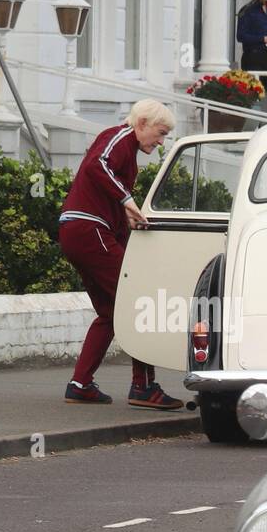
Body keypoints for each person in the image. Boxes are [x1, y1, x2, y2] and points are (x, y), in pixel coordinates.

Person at [59, 99, 183, 409]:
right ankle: (143, 387)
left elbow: (101, 180)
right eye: (160, 132)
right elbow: (96, 165)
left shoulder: (126, 148)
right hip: (90, 231)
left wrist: (125, 213)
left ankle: (80, 383)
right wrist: (127, 200)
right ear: (141, 124)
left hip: (81, 232)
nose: (161, 141)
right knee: (137, 302)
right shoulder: (120, 137)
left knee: (111, 312)